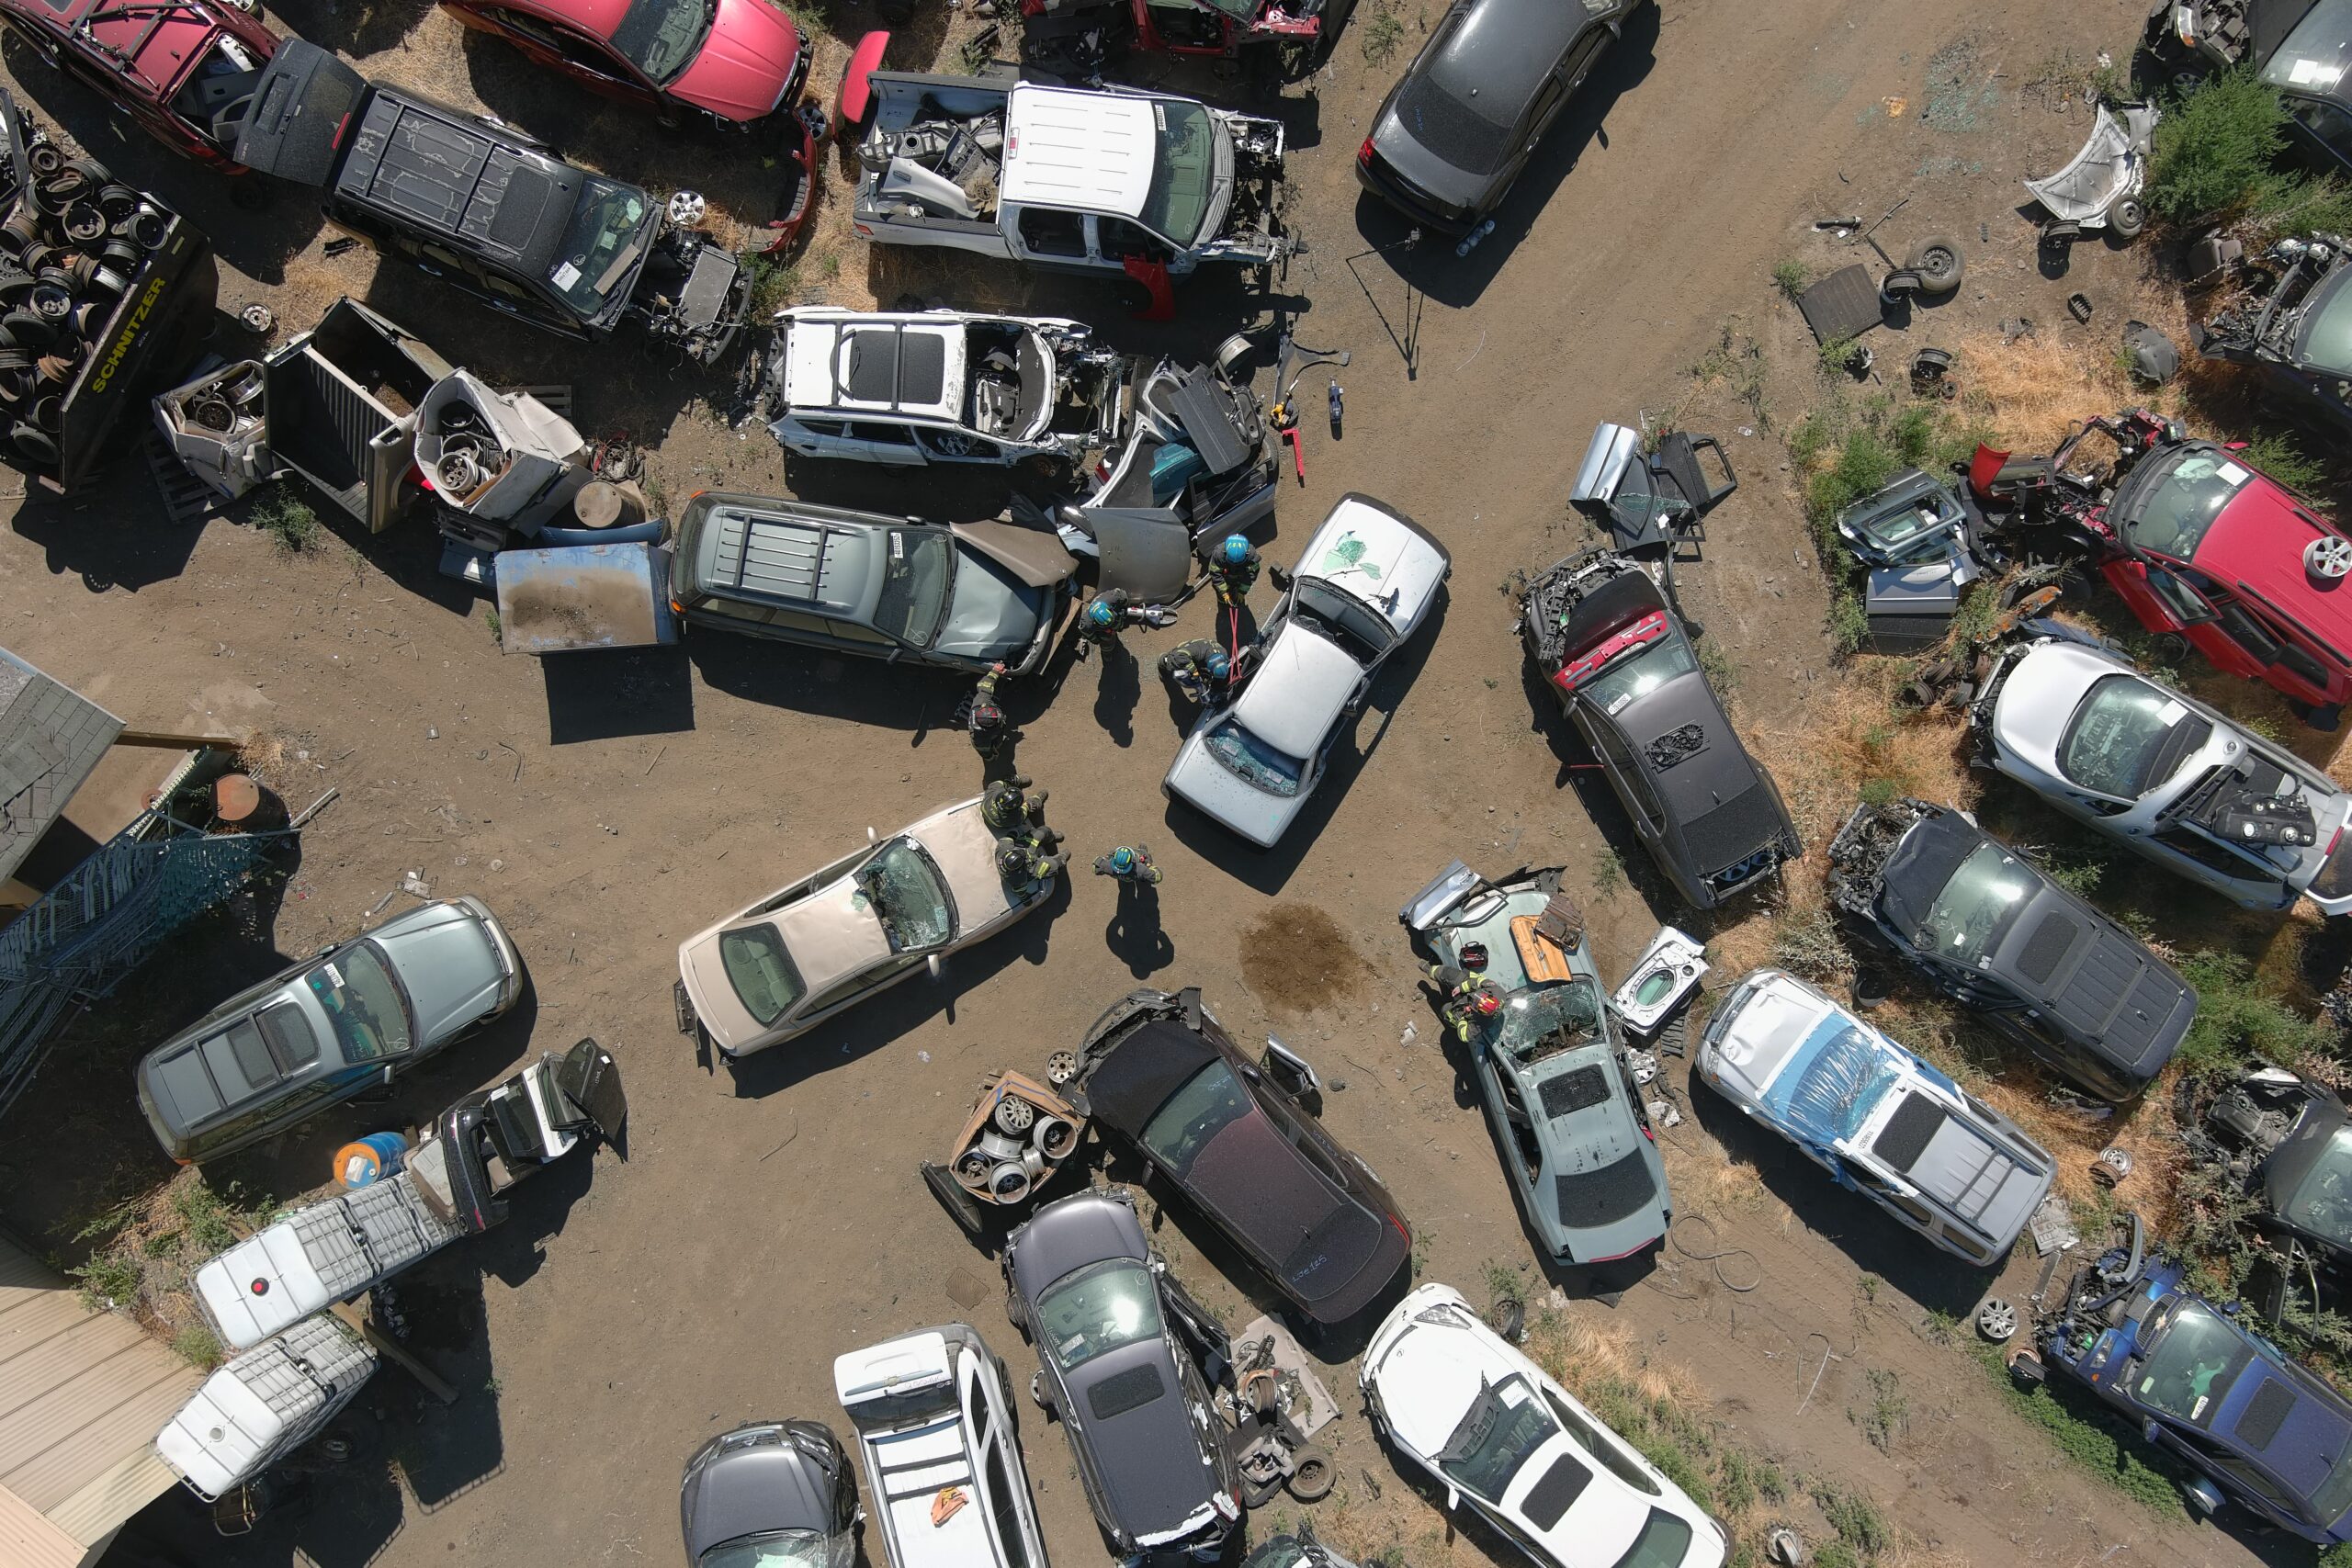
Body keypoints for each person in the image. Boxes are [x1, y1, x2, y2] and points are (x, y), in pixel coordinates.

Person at [1427, 961, 1503, 1042]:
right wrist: (1461, 988)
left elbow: (1464, 1037)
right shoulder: (1498, 991)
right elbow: (1478, 981)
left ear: (1479, 1012)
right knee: (1451, 974)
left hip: (1466, 1012)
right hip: (1473, 989)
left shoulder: (1480, 1024)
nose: (1473, 1000)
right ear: (1489, 994)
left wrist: (1464, 1017)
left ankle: (1444, 1014)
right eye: (1477, 999)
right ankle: (1429, 969)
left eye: (1475, 1004)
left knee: (1446, 1011)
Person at [957, 661, 1012, 761]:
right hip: (993, 738)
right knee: (997, 743)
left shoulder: (981, 701)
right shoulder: (980, 740)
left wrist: (995, 671)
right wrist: (991, 756)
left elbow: (986, 686)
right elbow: (985, 751)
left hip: (993, 733)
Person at [1158, 639, 1234, 709]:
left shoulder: (1224, 654)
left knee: (1217, 680)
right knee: (1174, 664)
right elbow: (1179, 655)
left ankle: (1211, 689)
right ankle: (1162, 660)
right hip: (1184, 652)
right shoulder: (1198, 652)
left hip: (1203, 657)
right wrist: (1194, 671)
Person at [1075, 590, 1152, 659]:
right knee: (1106, 641)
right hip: (1103, 632)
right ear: (1095, 622)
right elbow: (1089, 635)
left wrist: (1124, 609)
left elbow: (1124, 597)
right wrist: (1098, 640)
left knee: (1118, 623)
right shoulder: (1086, 623)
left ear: (1109, 609)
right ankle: (1107, 652)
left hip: (1112, 618)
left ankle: (1116, 627)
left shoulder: (1113, 597)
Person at [982, 774, 1050, 837]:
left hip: (986, 809)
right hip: (997, 824)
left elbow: (997, 783)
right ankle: (1036, 800)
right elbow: (1022, 814)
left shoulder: (996, 789)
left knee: (1003, 783)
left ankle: (1014, 781)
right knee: (1031, 805)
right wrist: (1026, 806)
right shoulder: (1014, 818)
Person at [1208, 535, 1262, 607]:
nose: (1234, 564)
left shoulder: (1251, 556)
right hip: (1225, 575)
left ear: (1247, 554)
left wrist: (1242, 591)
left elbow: (1251, 575)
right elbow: (1215, 573)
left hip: (1241, 575)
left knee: (1238, 589)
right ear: (1225, 552)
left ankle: (1237, 593)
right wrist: (1224, 592)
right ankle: (1223, 602)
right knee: (1221, 594)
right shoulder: (1218, 554)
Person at [997, 839, 1068, 886]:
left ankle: (1051, 837)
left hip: (1026, 856)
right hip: (1029, 868)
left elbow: (1007, 839)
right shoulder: (1017, 879)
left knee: (1042, 832)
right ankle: (1061, 859)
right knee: (1052, 865)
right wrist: (1026, 900)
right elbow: (1020, 891)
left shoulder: (1003, 847)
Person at [1093, 843, 1163, 887]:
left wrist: (1106, 858)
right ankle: (1143, 878)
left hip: (1121, 877)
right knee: (1143, 850)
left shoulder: (1106, 865)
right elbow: (1157, 877)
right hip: (1134, 876)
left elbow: (1095, 868)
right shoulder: (1140, 869)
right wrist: (1149, 866)